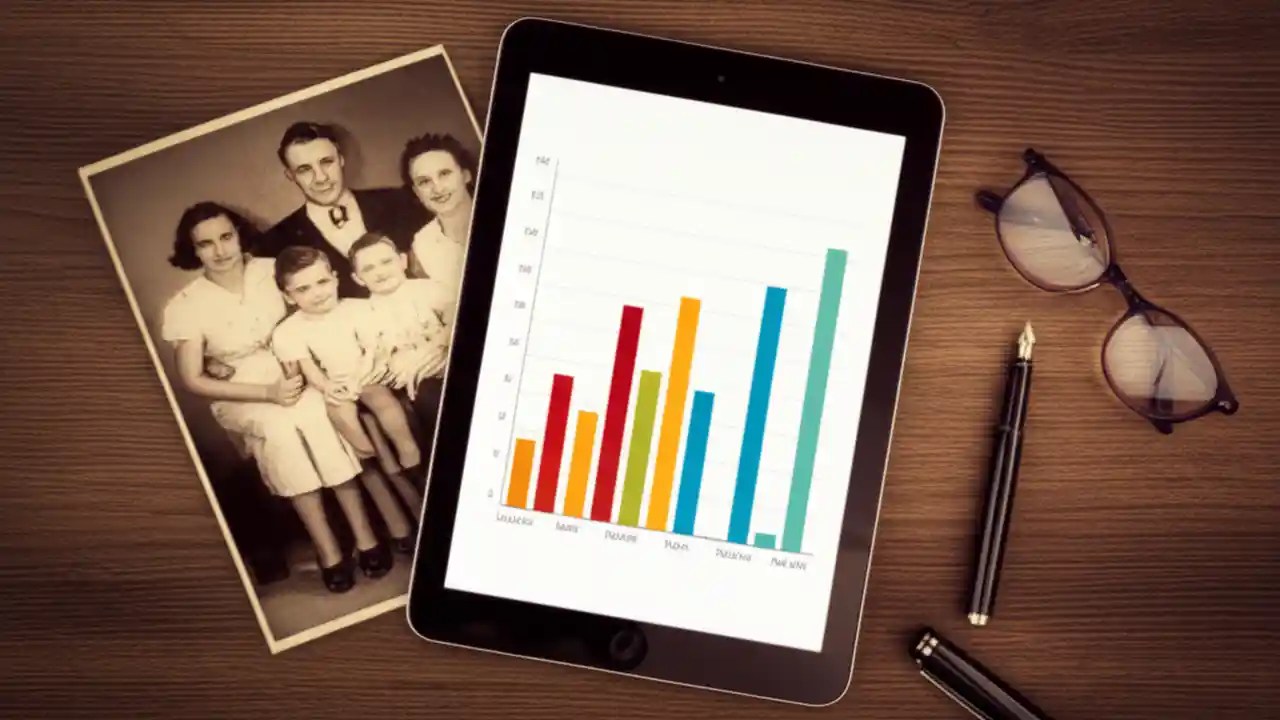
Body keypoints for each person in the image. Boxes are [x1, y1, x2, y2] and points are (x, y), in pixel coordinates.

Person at [159, 201, 389, 592]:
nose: (220, 250)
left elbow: (313, 317)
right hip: (242, 389)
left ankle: (366, 537)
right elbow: (193, 379)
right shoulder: (187, 304)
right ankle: (329, 550)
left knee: (320, 415)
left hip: (297, 365)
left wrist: (302, 373)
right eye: (205, 244)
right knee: (281, 431)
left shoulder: (271, 270)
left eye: (227, 237)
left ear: (239, 234)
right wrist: (266, 392)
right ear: (192, 250)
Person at [270, 246, 424, 478]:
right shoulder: (289, 330)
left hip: (369, 373)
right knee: (337, 408)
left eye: (322, 282)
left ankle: (407, 448)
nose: (317, 293)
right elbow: (309, 368)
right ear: (288, 296)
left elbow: (371, 351)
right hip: (336, 381)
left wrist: (357, 379)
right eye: (303, 289)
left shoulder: (356, 309)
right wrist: (327, 386)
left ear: (335, 279)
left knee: (381, 400)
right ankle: (368, 452)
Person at [259, 121, 427, 298]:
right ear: (290, 175)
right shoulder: (275, 243)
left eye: (326, 162)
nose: (321, 177)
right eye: (304, 169)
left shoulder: (400, 202)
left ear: (341, 159)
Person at [347, 233, 452, 430]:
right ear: (358, 279)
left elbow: (456, 319)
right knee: (429, 397)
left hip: (444, 359)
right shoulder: (362, 315)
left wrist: (439, 346)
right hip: (416, 381)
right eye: (369, 269)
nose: (380, 272)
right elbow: (375, 359)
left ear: (403, 261)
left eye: (386, 261)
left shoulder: (428, 289)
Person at [401, 132, 476, 302]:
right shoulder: (422, 245)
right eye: (424, 181)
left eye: (444, 174)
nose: (437, 188)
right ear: (416, 192)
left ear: (465, 175)